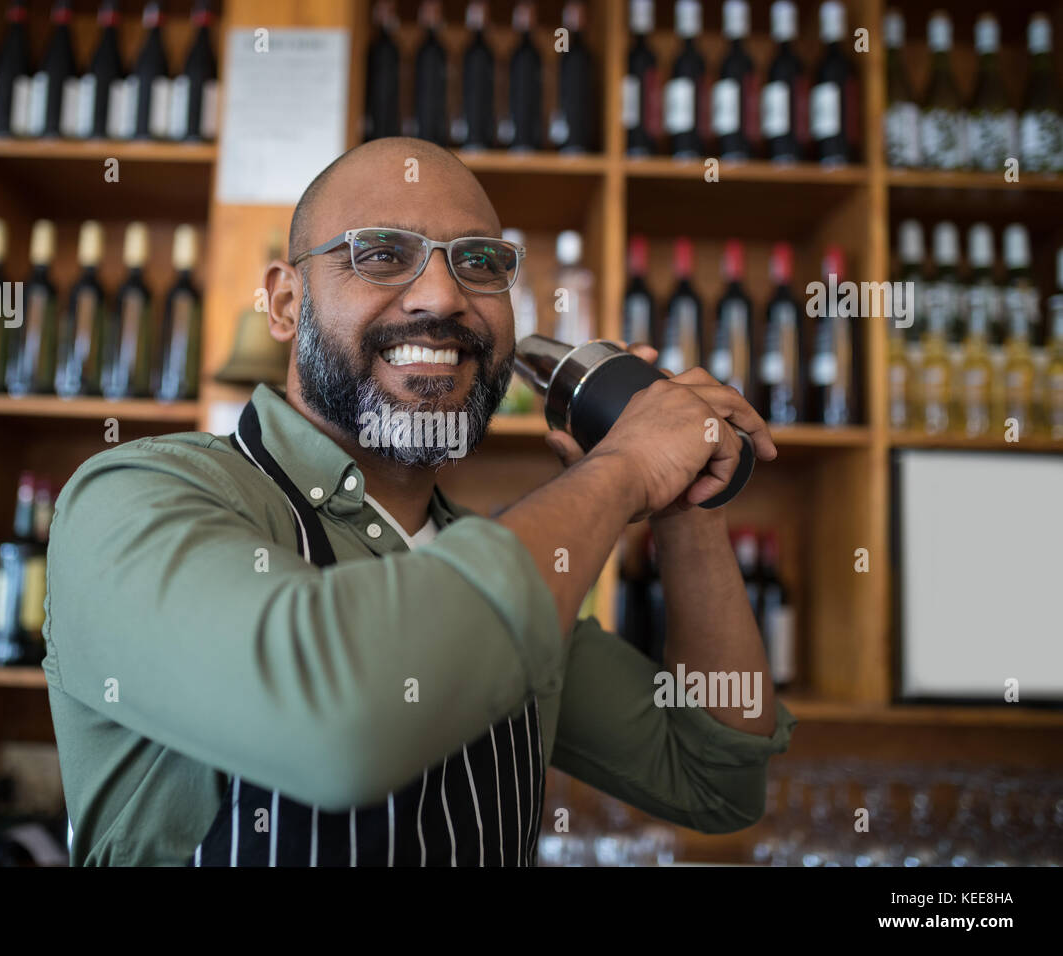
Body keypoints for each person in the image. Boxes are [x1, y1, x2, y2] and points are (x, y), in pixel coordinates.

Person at [44, 137, 795, 866]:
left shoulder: (511, 562)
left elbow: (714, 780)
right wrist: (629, 464)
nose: (441, 295)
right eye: (380, 254)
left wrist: (685, 500)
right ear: (283, 302)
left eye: (479, 263)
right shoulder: (136, 500)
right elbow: (339, 721)